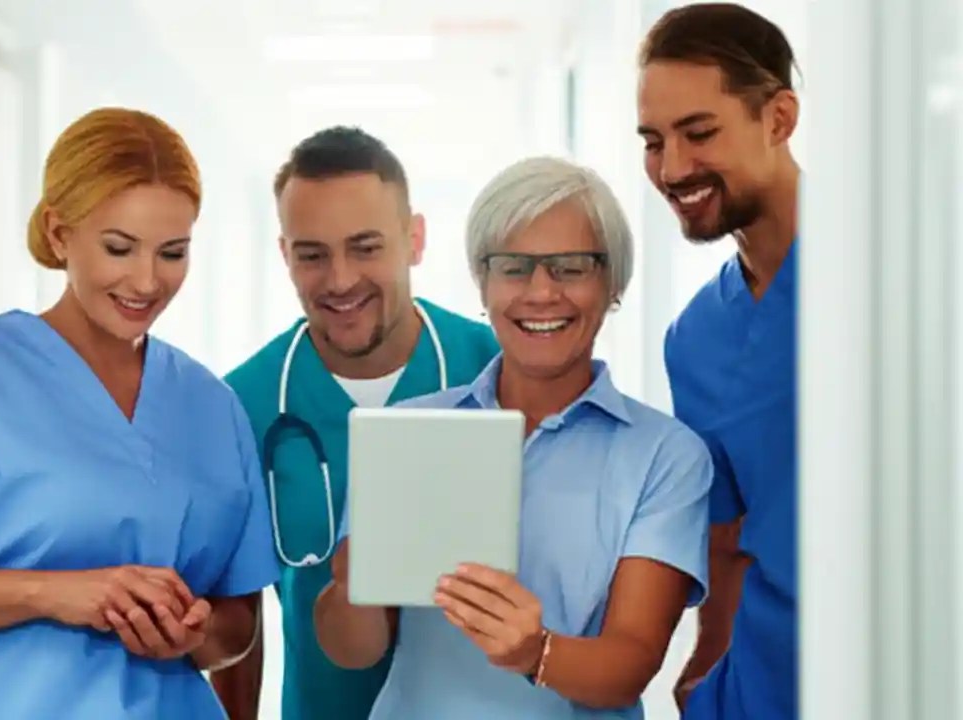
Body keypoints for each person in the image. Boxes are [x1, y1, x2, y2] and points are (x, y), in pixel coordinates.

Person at [0, 107, 279, 720]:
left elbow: (239, 623)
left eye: (172, 252)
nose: (147, 281)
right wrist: (53, 593)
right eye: (119, 248)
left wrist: (191, 634)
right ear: (58, 233)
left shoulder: (211, 405)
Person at [314, 156, 714, 719]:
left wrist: (537, 652)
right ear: (483, 283)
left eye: (572, 267)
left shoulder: (664, 457)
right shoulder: (410, 432)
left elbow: (632, 664)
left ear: (614, 283)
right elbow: (354, 650)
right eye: (513, 267)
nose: (541, 292)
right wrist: (353, 590)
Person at [209, 126, 500, 720]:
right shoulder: (242, 402)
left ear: (414, 239)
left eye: (366, 247)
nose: (340, 280)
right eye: (313, 255)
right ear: (285, 255)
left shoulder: (493, 368)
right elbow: (239, 613)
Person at [635, 4, 802, 719]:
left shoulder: (901, 272)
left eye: (699, 133)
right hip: (760, 683)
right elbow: (728, 535)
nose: (672, 169)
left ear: (778, 119)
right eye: (652, 141)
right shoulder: (695, 338)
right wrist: (707, 661)